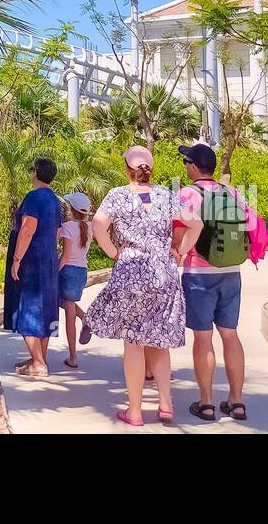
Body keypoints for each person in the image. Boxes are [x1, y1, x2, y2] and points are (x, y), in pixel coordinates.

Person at [86, 146, 201, 425]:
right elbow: (195, 224)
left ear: (127, 168)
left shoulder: (117, 195)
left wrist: (113, 252)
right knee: (159, 342)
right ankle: (165, 404)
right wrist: (181, 251)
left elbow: (98, 223)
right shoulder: (165, 194)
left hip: (131, 270)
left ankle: (135, 411)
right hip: (164, 272)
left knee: (134, 343)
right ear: (151, 169)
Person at [173, 142, 268, 422]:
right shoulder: (233, 193)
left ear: (193, 166)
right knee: (230, 334)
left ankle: (206, 403)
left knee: (203, 338)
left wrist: (176, 253)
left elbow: (178, 237)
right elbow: (250, 227)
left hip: (199, 275)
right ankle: (236, 402)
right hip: (231, 273)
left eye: (186, 163)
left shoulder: (187, 195)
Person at [10, 157, 63, 377]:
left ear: (35, 173)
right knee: (46, 309)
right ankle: (38, 358)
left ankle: (39, 364)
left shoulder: (33, 197)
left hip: (33, 260)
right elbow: (58, 232)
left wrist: (16, 259)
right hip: (49, 258)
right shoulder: (54, 200)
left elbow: (28, 228)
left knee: (28, 310)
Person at [57, 191, 94, 368]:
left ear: (71, 208)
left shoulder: (68, 227)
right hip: (82, 270)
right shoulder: (89, 227)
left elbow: (65, 256)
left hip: (68, 271)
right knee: (65, 302)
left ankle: (73, 357)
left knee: (68, 313)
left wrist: (55, 271)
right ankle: (87, 318)